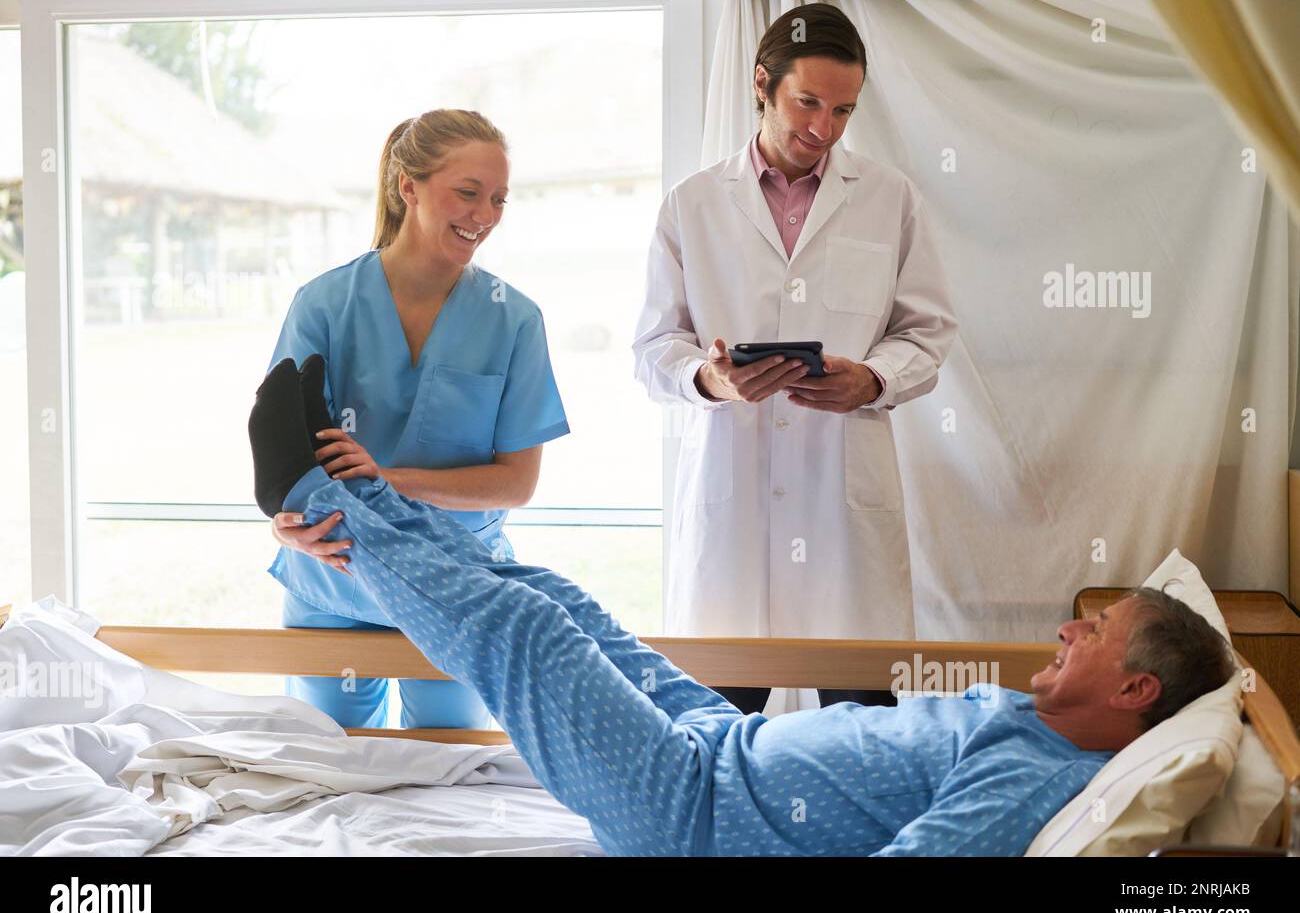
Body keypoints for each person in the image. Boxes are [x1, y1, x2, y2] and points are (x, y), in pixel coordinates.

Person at [248, 360, 1236, 856]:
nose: (1070, 626)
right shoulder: (1029, 719)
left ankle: (312, 494)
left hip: (689, 809)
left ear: (1135, 688)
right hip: (720, 742)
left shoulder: (1037, 772)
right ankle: (363, 493)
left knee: (526, 631)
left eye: (1095, 632)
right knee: (554, 595)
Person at [632, 3, 957, 716]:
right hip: (732, 501)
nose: (824, 128)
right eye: (808, 102)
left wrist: (873, 379)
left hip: (843, 503)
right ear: (762, 84)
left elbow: (928, 332)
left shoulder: (889, 200)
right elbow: (654, 348)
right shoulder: (692, 205)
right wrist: (708, 378)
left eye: (843, 110)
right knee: (715, 729)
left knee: (866, 724)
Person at [264, 110, 569, 731]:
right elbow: (280, 454)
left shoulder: (513, 320)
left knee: (450, 767)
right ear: (408, 186)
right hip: (336, 571)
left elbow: (516, 482)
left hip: (457, 580)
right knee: (333, 769)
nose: (484, 215)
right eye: (467, 192)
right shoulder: (323, 305)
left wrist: (388, 478)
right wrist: (286, 527)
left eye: (498, 199)